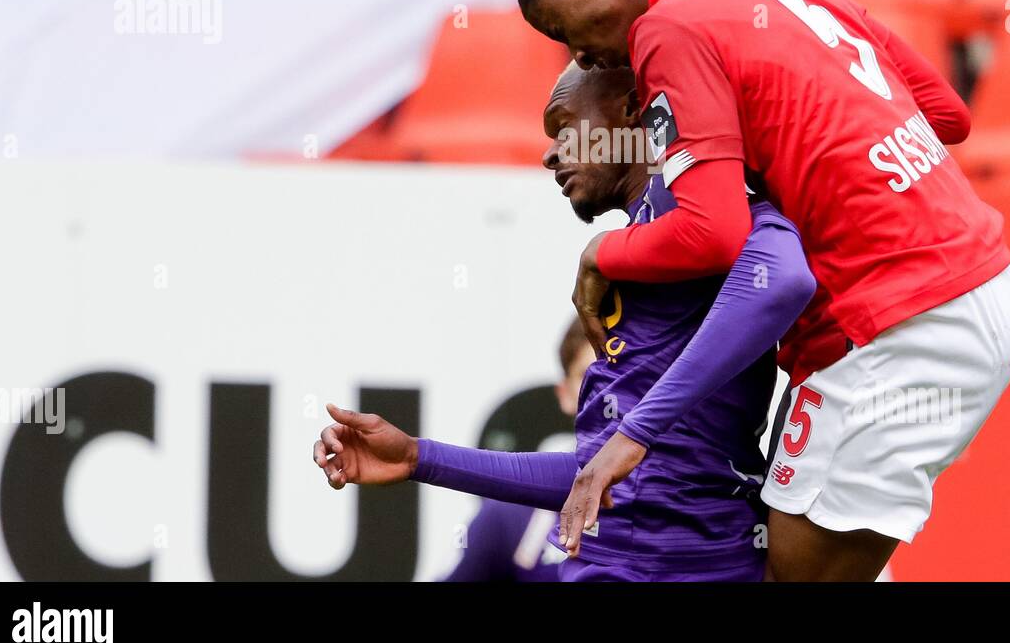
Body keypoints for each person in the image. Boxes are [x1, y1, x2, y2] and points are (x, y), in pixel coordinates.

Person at [514, 0, 1010, 581]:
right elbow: (945, 113)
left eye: (564, 29)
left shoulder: (666, 28)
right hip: (982, 284)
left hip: (893, 324)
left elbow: (713, 232)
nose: (582, 54)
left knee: (784, 576)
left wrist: (599, 254)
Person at [314, 64, 816, 581]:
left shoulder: (702, 212)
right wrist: (420, 458)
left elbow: (783, 278)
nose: (550, 153)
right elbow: (604, 472)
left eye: (565, 126)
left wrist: (635, 432)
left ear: (630, 109)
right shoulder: (647, 241)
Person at [440, 319, 594, 582]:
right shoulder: (508, 515)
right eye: (588, 375)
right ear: (564, 395)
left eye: (619, 374)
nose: (606, 390)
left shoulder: (683, 498)